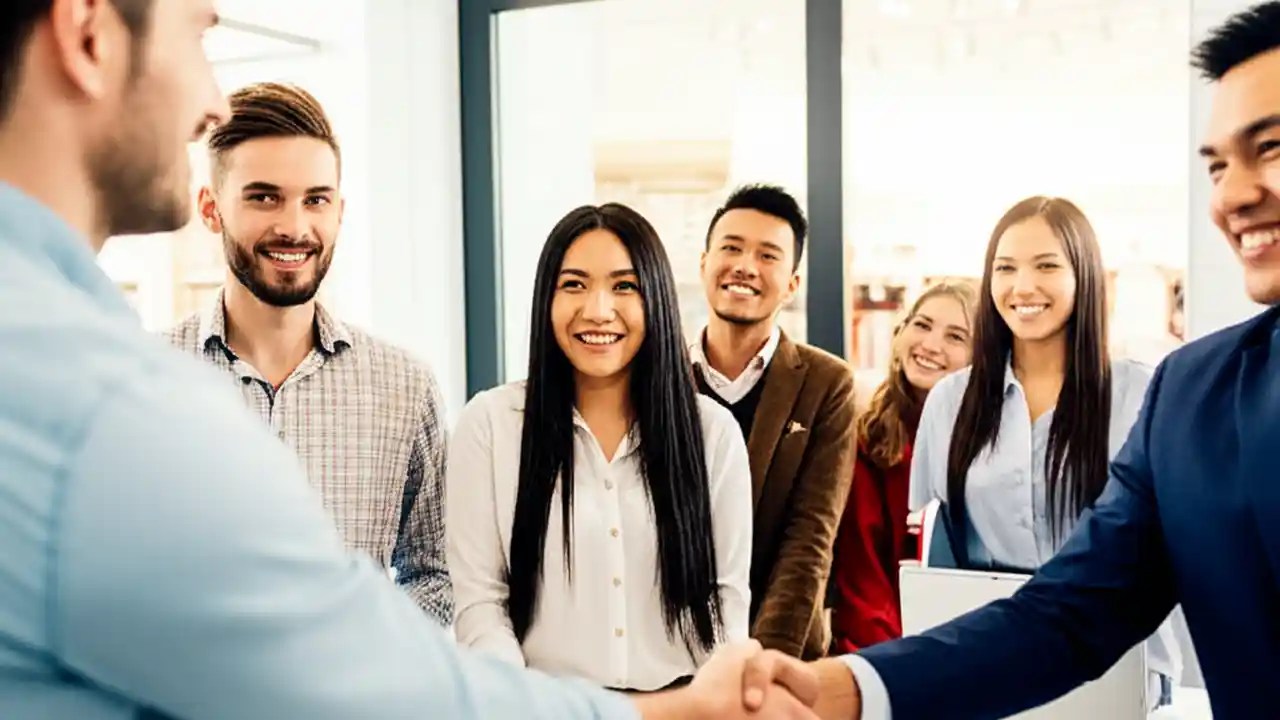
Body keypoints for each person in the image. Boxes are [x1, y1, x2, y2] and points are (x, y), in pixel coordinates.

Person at [0, 2, 819, 717]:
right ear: (88, 32)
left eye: (317, 198)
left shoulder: (396, 386)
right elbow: (353, 654)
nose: (209, 96)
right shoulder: (113, 398)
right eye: (200, 32)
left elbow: (424, 588)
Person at [739, 3, 1280, 718]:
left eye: (1270, 149)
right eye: (1217, 167)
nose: (1233, 196)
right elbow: (1068, 612)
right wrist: (849, 686)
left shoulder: (1140, 387)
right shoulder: (1192, 397)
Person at [165, 81, 451, 624]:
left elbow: (437, 574)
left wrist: (365, 655)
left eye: (315, 199)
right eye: (264, 196)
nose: (294, 227)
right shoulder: (148, 379)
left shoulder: (405, 388)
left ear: (339, 211)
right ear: (210, 208)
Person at [448, 203, 753, 691]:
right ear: (546, 299)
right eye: (573, 284)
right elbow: (481, 603)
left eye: (624, 286)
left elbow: (726, 606)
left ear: (654, 297)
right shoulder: (490, 425)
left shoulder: (712, 434)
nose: (597, 310)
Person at [911, 196, 1183, 706]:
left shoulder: (1140, 395)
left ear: (1084, 275)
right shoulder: (952, 400)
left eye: (1046, 266)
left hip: (1117, 660)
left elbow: (1170, 550)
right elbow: (933, 550)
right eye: (1005, 268)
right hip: (992, 658)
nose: (1023, 287)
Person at [692, 184, 857, 659]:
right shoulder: (657, 377)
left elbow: (810, 537)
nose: (745, 266)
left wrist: (765, 667)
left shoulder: (828, 384)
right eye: (731, 248)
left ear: (791, 284)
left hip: (778, 657)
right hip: (667, 658)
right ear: (704, 263)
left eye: (768, 255)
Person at [828, 281, 975, 653]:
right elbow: (863, 582)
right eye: (922, 325)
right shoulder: (870, 440)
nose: (930, 344)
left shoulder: (998, 447)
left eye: (955, 336)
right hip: (889, 654)